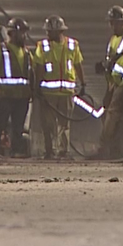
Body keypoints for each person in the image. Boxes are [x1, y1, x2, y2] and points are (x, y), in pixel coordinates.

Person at [33, 15, 85, 159]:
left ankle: (63, 151)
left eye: (50, 31)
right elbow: (39, 67)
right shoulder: (42, 46)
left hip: (67, 92)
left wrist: (83, 83)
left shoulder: (72, 45)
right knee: (48, 124)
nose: (47, 34)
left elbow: (78, 65)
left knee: (64, 125)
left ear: (59, 31)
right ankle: (49, 151)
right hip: (48, 93)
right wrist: (37, 86)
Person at [0, 18, 34, 157]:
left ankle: (16, 150)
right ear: (12, 33)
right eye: (22, 33)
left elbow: (30, 73)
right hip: (5, 94)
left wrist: (32, 90)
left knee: (18, 125)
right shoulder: (1, 49)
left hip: (22, 95)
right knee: (0, 121)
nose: (24, 36)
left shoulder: (26, 52)